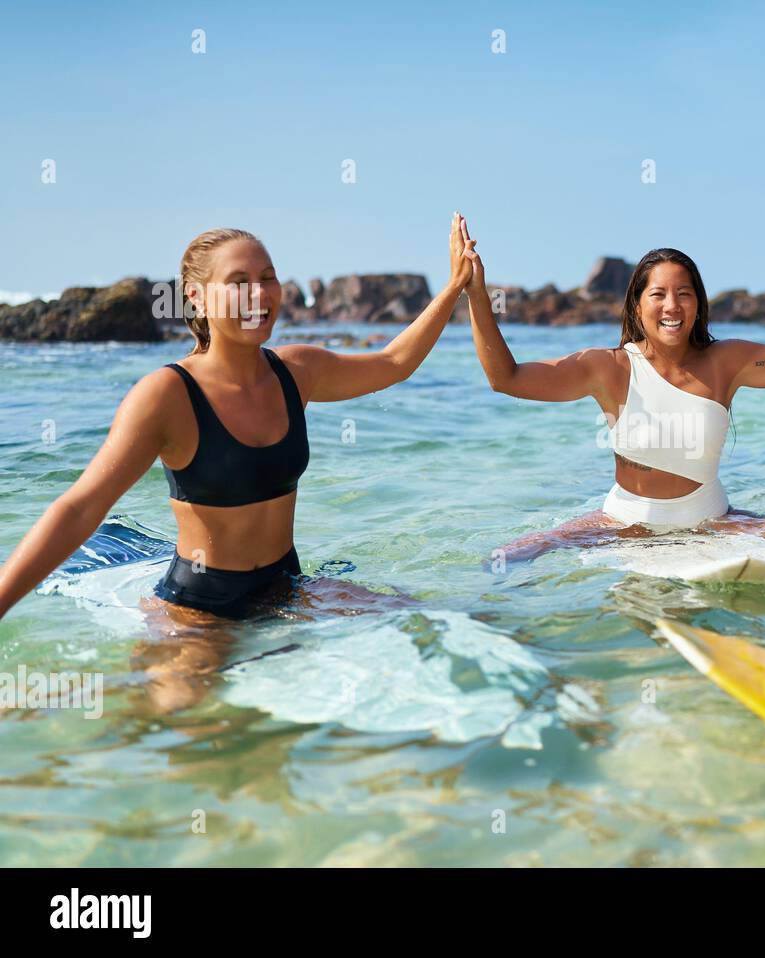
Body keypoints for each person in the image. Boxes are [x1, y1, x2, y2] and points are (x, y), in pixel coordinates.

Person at [0, 215, 476, 701]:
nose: (259, 294)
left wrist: (455, 285)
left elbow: (394, 363)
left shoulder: (297, 371)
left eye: (268, 278)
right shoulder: (167, 395)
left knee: (434, 628)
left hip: (287, 586)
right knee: (176, 722)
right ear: (197, 297)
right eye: (239, 282)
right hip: (202, 609)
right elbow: (80, 508)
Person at [461, 196, 765, 562]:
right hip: (623, 524)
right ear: (636, 304)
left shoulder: (727, 361)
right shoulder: (608, 368)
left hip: (713, 523)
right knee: (504, 560)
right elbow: (506, 378)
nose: (672, 306)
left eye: (684, 293)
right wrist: (477, 294)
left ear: (698, 303)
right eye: (658, 294)